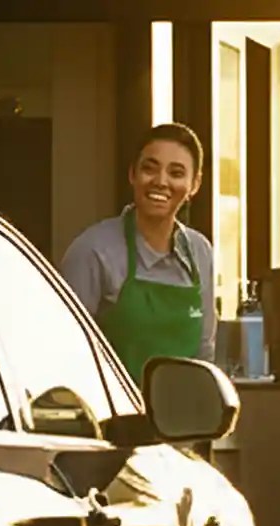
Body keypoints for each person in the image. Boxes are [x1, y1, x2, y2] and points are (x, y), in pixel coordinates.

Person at [60, 123, 216, 387]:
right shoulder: (93, 251)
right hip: (115, 421)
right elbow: (66, 351)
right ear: (132, 174)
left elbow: (205, 353)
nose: (161, 181)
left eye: (176, 173)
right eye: (149, 168)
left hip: (184, 420)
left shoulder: (199, 252)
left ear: (195, 184)